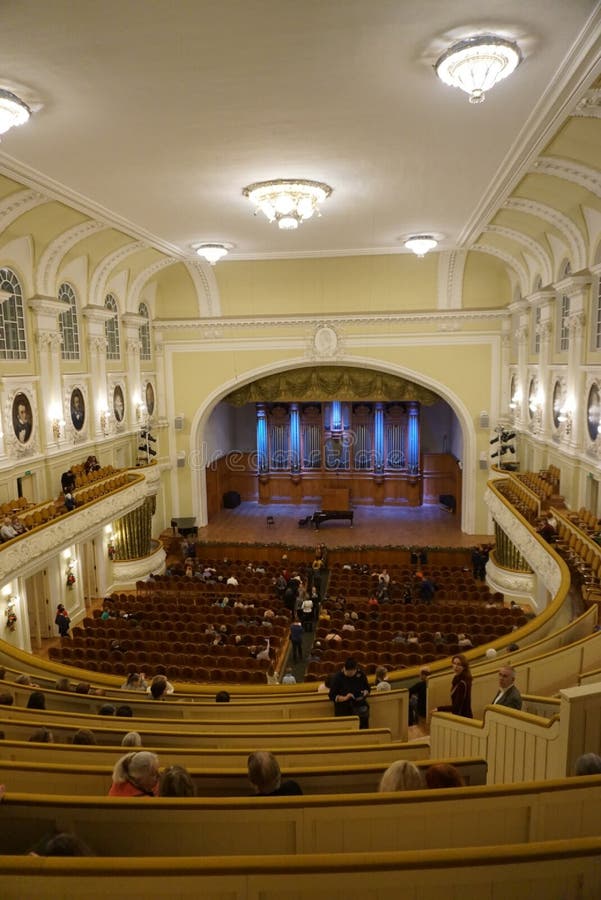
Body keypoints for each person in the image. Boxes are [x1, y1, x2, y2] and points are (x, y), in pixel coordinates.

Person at [328, 657, 371, 729]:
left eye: (352, 673)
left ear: (355, 669)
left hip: (359, 708)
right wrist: (345, 698)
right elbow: (331, 695)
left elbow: (367, 688)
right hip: (343, 710)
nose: (350, 675)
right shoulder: (337, 677)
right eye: (348, 673)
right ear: (344, 669)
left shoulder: (361, 674)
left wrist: (366, 692)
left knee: (362, 728)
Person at [436, 654, 473, 718]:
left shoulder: (462, 683)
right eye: (454, 663)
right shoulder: (457, 679)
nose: (455, 666)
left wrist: (439, 708)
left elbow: (456, 707)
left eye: (459, 664)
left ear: (464, 667)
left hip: (463, 718)